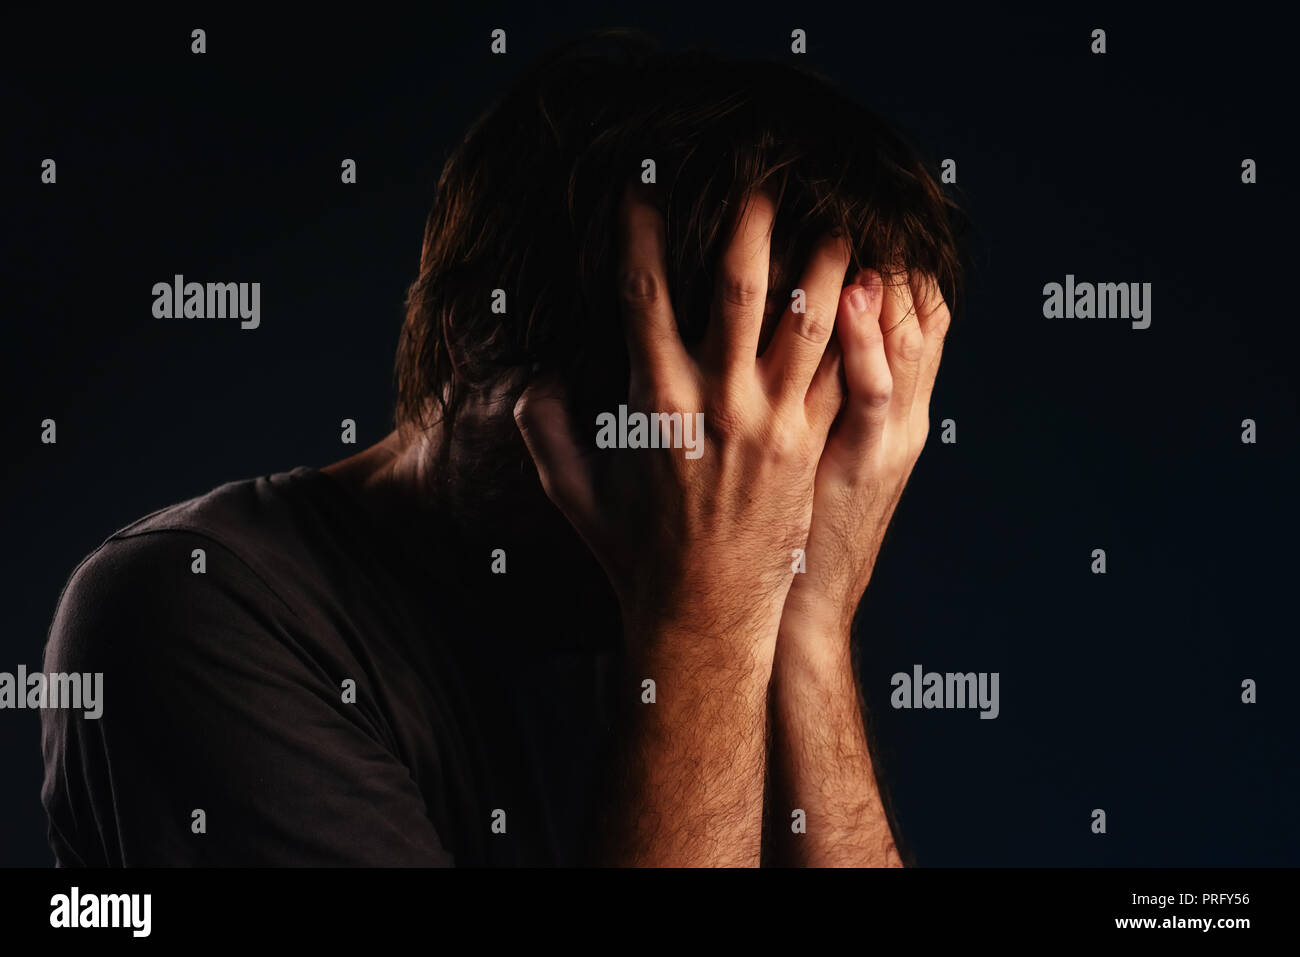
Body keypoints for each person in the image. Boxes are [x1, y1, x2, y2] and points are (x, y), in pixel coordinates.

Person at [41, 29, 962, 867]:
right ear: (473, 337)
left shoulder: (749, 584)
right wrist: (706, 627)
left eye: (802, 437)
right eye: (697, 433)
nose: (757, 493)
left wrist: (810, 621)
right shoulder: (195, 612)